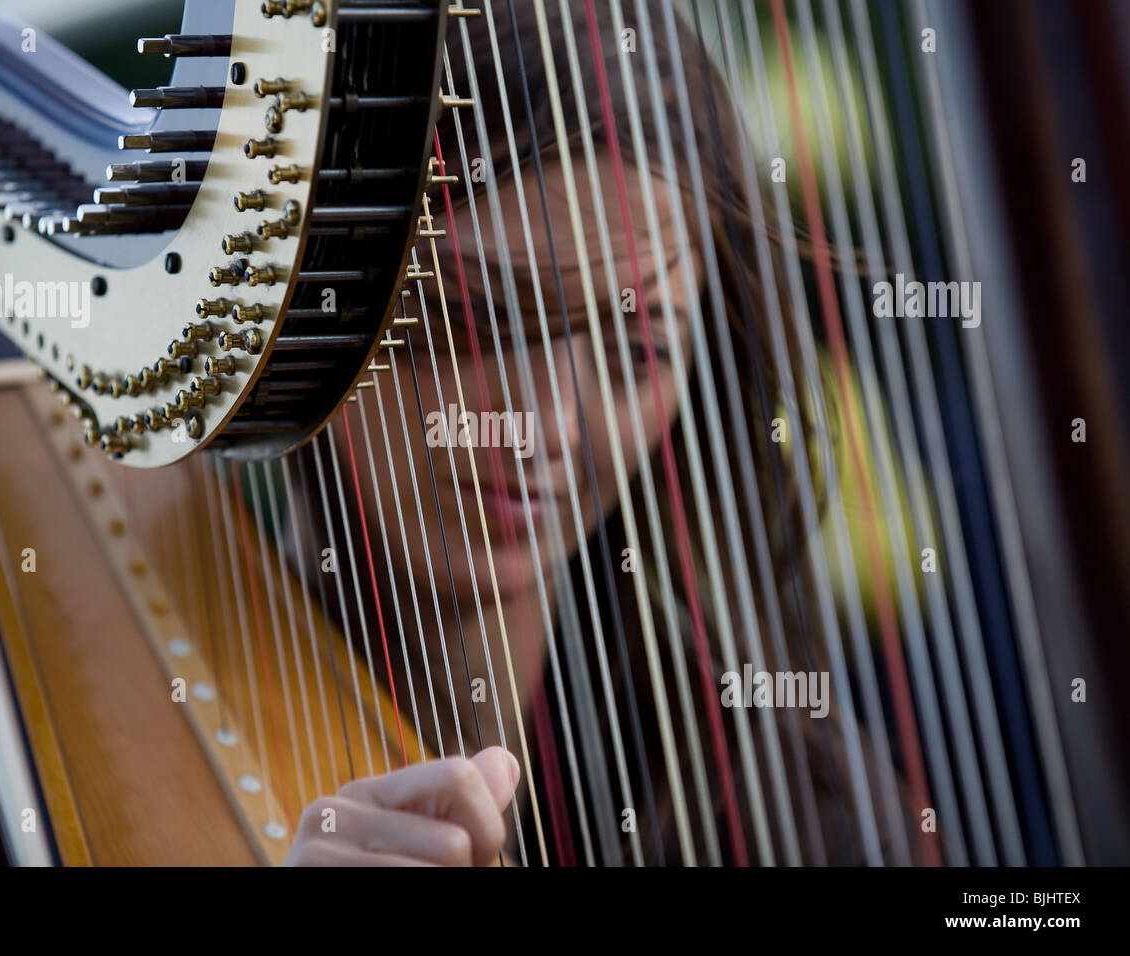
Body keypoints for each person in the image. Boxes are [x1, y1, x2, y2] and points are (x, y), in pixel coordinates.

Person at [283, 1, 906, 866]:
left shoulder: (803, 811)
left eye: (639, 350)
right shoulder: (82, 669)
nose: (540, 429)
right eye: (476, 318)